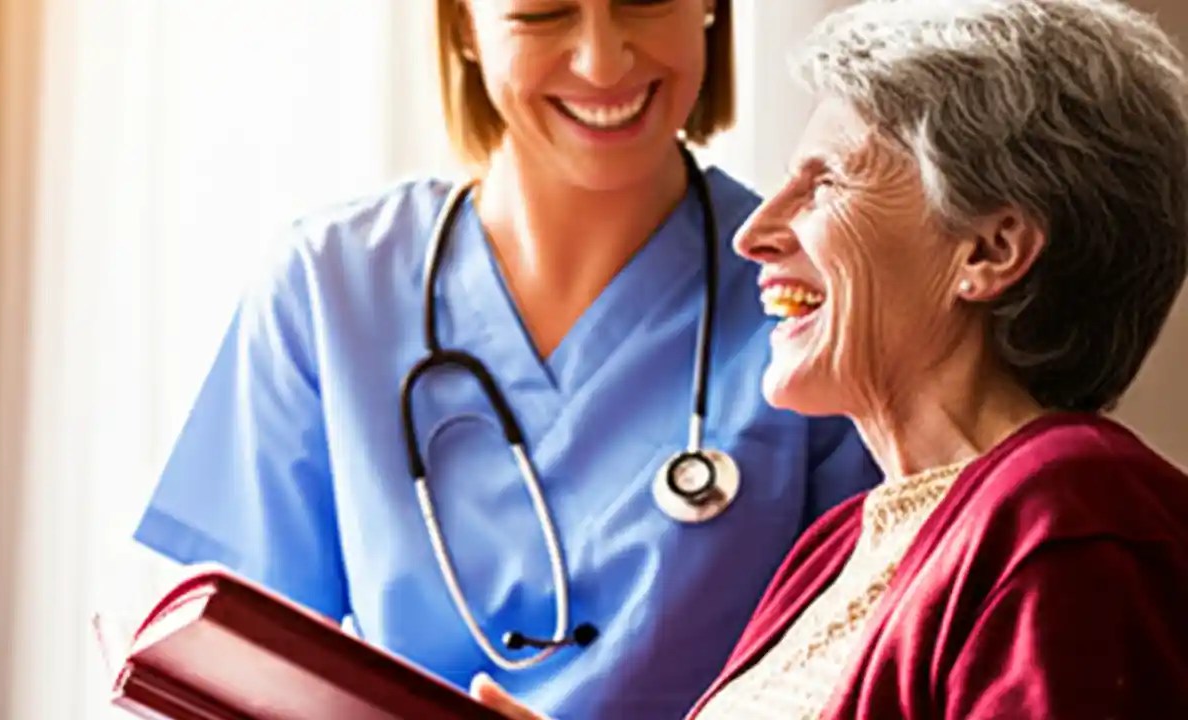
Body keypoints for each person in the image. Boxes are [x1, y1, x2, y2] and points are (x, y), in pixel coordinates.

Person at [130, 1, 880, 718]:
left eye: (646, 0)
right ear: (464, 24)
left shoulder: (818, 298)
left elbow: (876, 675)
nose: (602, 59)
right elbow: (238, 673)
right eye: (543, 13)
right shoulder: (327, 289)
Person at [472, 0, 1188, 717]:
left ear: (990, 250)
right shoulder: (840, 548)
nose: (754, 232)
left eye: (825, 184)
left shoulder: (1073, 515)